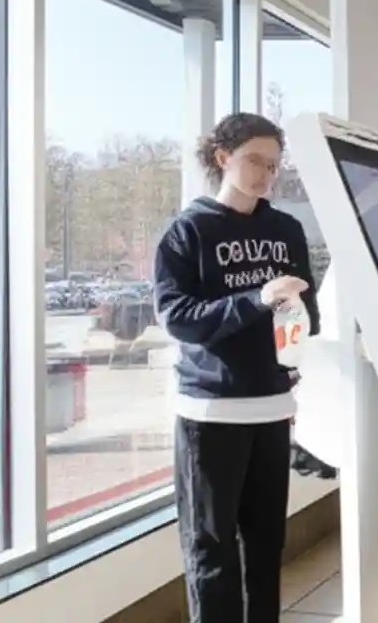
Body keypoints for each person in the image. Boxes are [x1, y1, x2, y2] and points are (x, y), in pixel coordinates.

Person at [153, 112, 320, 623]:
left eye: (272, 165)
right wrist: (257, 298)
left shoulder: (286, 230)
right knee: (211, 551)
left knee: (266, 548)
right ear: (222, 157)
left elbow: (306, 316)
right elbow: (179, 319)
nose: (264, 174)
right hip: (211, 413)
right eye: (253, 160)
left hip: (272, 407)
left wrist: (297, 335)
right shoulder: (188, 231)